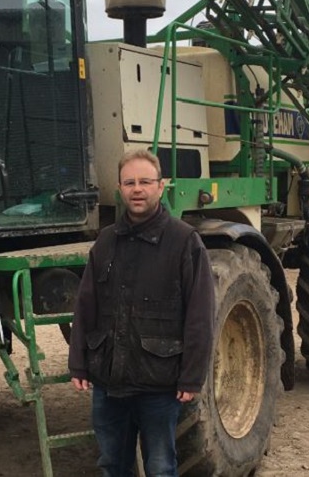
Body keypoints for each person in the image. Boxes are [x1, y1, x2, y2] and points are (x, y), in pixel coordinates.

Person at [69, 149, 215, 477]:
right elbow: (85, 305)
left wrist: (192, 374)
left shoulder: (184, 241)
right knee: (112, 464)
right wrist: (78, 363)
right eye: (130, 182)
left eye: (145, 182)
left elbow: (200, 314)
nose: (137, 189)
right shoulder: (106, 241)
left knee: (161, 466)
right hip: (109, 382)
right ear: (120, 188)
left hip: (159, 384)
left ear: (161, 186)